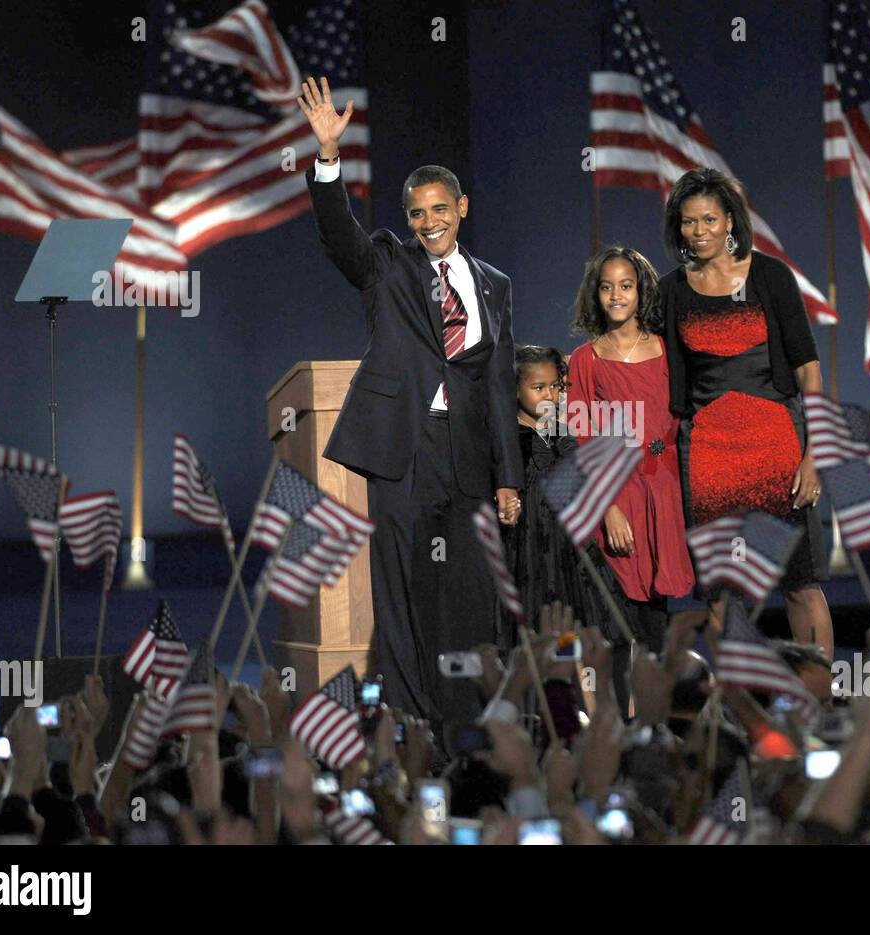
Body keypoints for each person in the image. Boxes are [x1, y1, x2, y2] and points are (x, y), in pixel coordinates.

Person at [297, 76, 523, 731]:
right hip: (405, 447)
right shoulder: (387, 266)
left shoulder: (495, 286)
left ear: (462, 206)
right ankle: (408, 721)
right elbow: (340, 236)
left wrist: (509, 474)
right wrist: (328, 157)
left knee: (473, 588)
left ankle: (475, 717)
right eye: (417, 213)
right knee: (400, 588)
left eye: (437, 209)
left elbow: (501, 382)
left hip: (471, 453)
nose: (427, 223)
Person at [657, 167, 834, 657]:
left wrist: (814, 455)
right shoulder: (671, 290)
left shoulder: (771, 276)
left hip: (777, 448)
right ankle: (735, 712)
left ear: (731, 220)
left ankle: (818, 707)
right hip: (709, 457)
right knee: (721, 594)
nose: (700, 232)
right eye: (689, 223)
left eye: (710, 220)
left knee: (799, 583)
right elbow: (652, 363)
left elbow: (810, 372)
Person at [565, 246, 695, 668]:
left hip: (664, 495)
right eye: (607, 287)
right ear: (595, 294)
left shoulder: (667, 351)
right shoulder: (586, 361)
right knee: (618, 629)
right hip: (617, 498)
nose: (616, 295)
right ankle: (618, 726)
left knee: (656, 625)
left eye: (626, 286)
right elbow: (581, 442)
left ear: (641, 291)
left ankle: (654, 727)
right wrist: (609, 510)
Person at [503, 345, 632, 699]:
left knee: (587, 631)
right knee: (541, 633)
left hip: (570, 549)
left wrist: (610, 509)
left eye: (556, 387)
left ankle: (596, 715)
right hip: (528, 551)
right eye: (538, 388)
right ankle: (544, 713)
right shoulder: (507, 439)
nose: (550, 396)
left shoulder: (561, 432)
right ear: (515, 389)